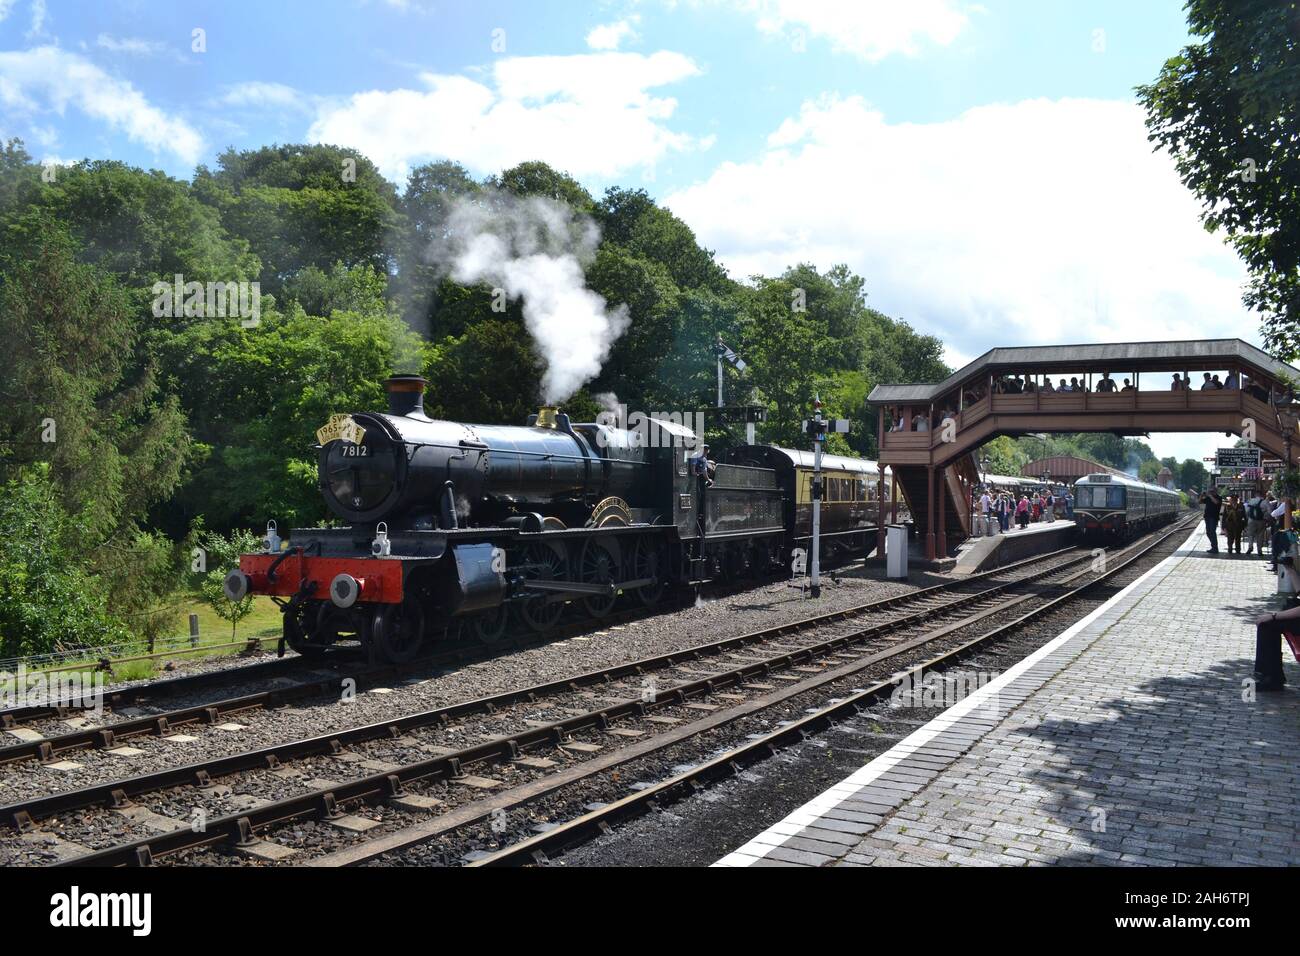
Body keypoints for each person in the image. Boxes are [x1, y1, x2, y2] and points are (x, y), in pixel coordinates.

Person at [1244, 491, 1269, 557]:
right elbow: (1269, 511)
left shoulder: (1251, 500)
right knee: (1260, 535)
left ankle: (1250, 547)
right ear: (1261, 495)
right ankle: (1259, 550)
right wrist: (1267, 519)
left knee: (1250, 534)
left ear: (1255, 494)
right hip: (1261, 520)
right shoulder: (1265, 502)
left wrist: (1247, 519)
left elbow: (1246, 511)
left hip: (1251, 520)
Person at [1199, 487, 1222, 553]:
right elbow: (1200, 502)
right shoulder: (1208, 498)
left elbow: (1216, 502)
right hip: (1207, 517)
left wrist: (1210, 495)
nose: (1211, 492)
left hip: (1213, 517)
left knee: (1212, 532)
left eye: (1212, 491)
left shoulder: (1219, 497)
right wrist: (1201, 495)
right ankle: (1213, 546)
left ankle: (1215, 548)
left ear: (1215, 491)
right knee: (1208, 533)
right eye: (1210, 491)